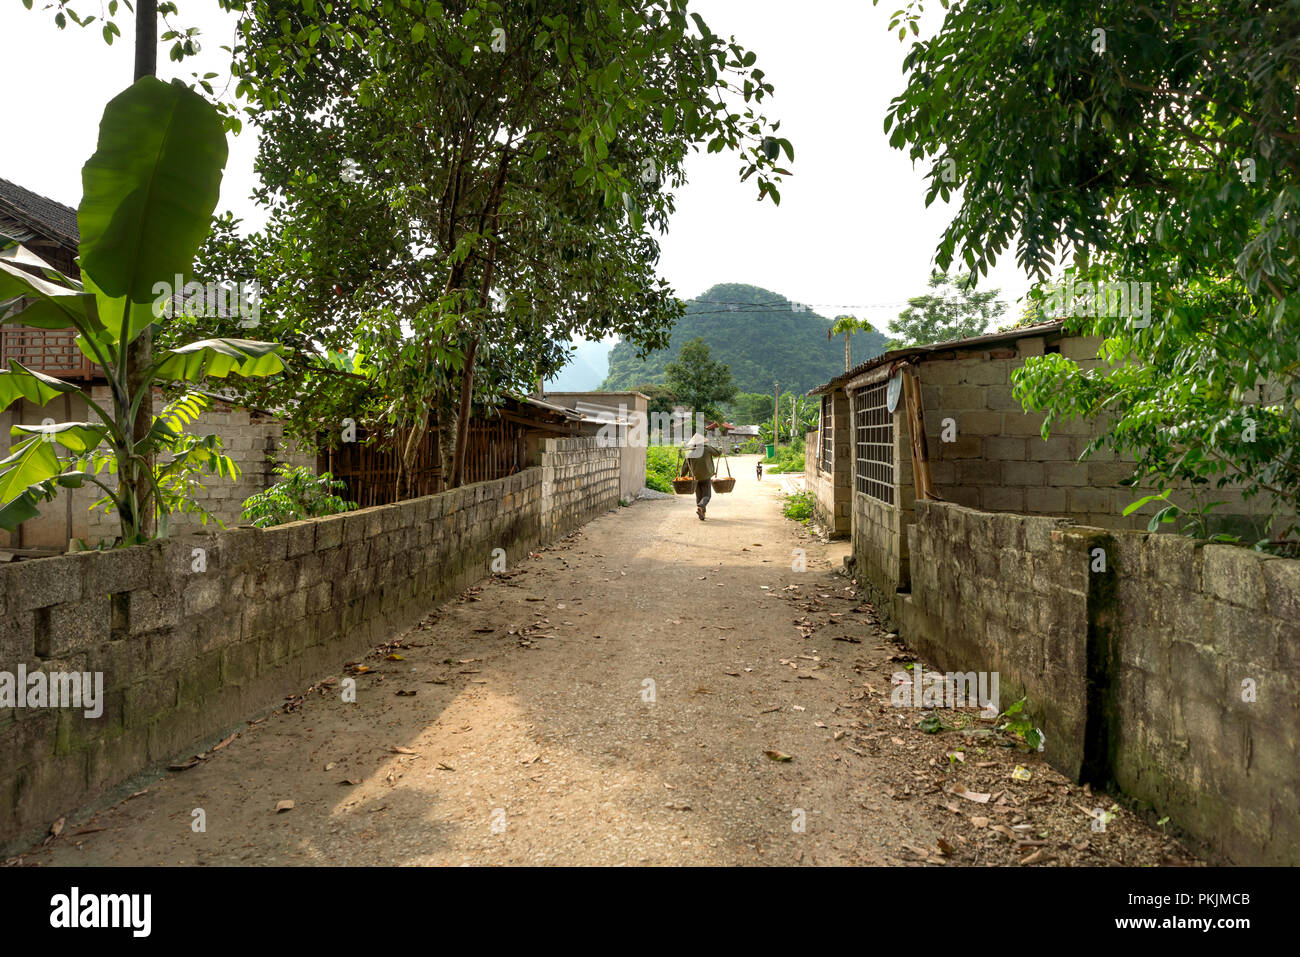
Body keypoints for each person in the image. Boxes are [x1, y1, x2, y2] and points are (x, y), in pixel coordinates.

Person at [680, 432, 722, 521]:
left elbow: (685, 467)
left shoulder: (690, 453)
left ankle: (701, 512)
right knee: (707, 495)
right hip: (706, 476)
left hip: (694, 478)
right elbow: (717, 453)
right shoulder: (707, 449)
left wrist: (681, 476)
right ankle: (701, 507)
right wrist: (720, 448)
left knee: (699, 496)